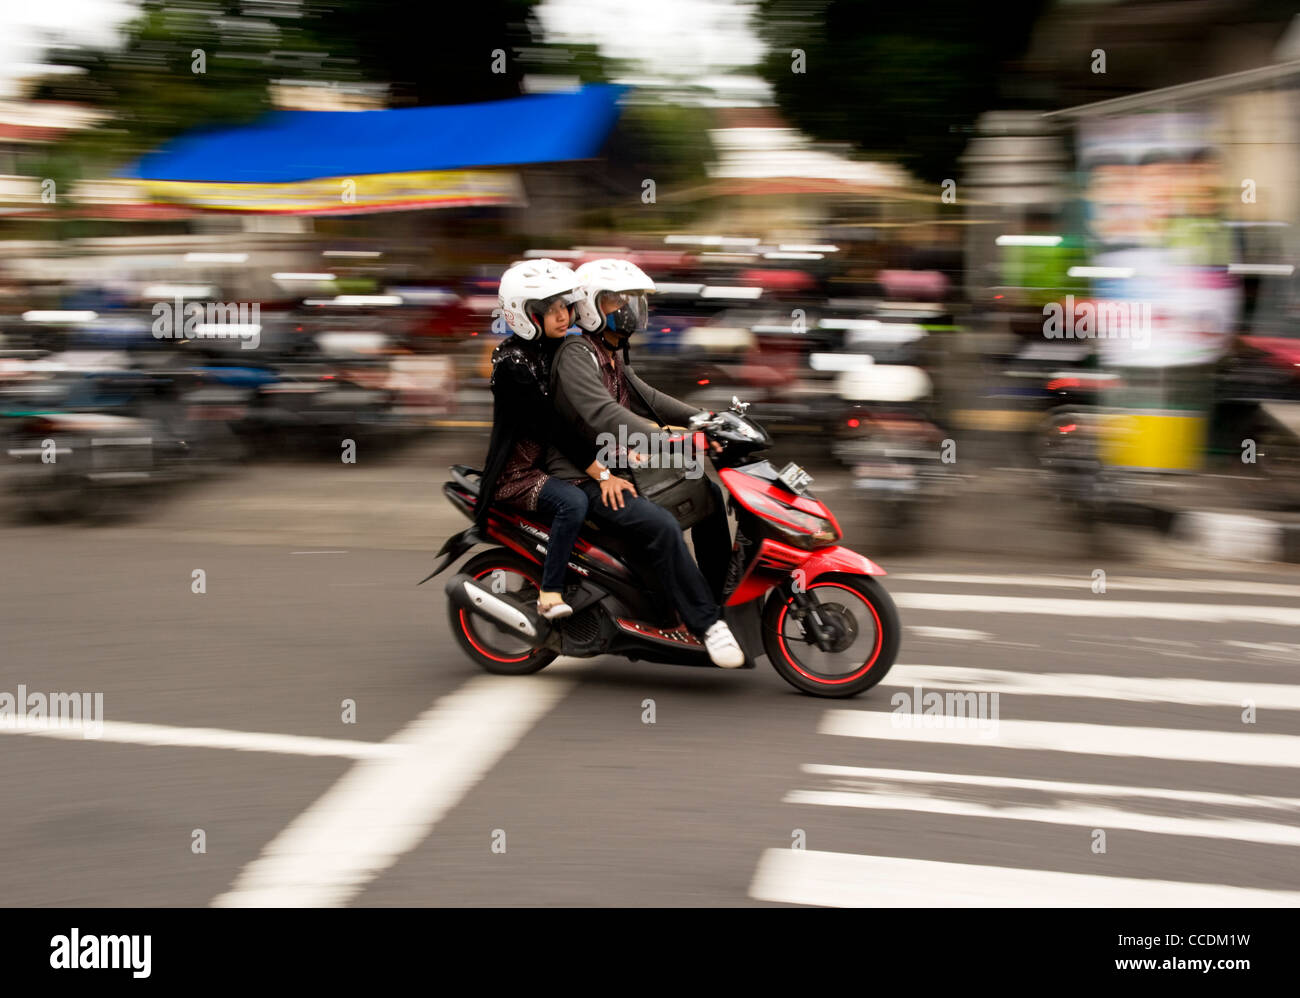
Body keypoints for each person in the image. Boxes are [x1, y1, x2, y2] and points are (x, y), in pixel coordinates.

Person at [544, 258, 744, 668]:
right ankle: (705, 625)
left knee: (704, 492)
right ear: (589, 306)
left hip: (619, 463)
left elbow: (648, 397)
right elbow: (603, 414)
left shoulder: (610, 353)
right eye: (617, 299)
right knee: (661, 525)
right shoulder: (576, 354)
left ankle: (715, 593)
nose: (628, 308)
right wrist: (673, 438)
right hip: (584, 475)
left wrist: (707, 419)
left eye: (630, 300)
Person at [476, 258, 636, 620]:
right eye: (550, 309)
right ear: (523, 314)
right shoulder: (512, 365)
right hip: (518, 474)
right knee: (573, 503)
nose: (563, 315)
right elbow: (551, 426)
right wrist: (600, 471)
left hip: (550, 463)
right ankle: (550, 592)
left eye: (564, 305)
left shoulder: (557, 349)